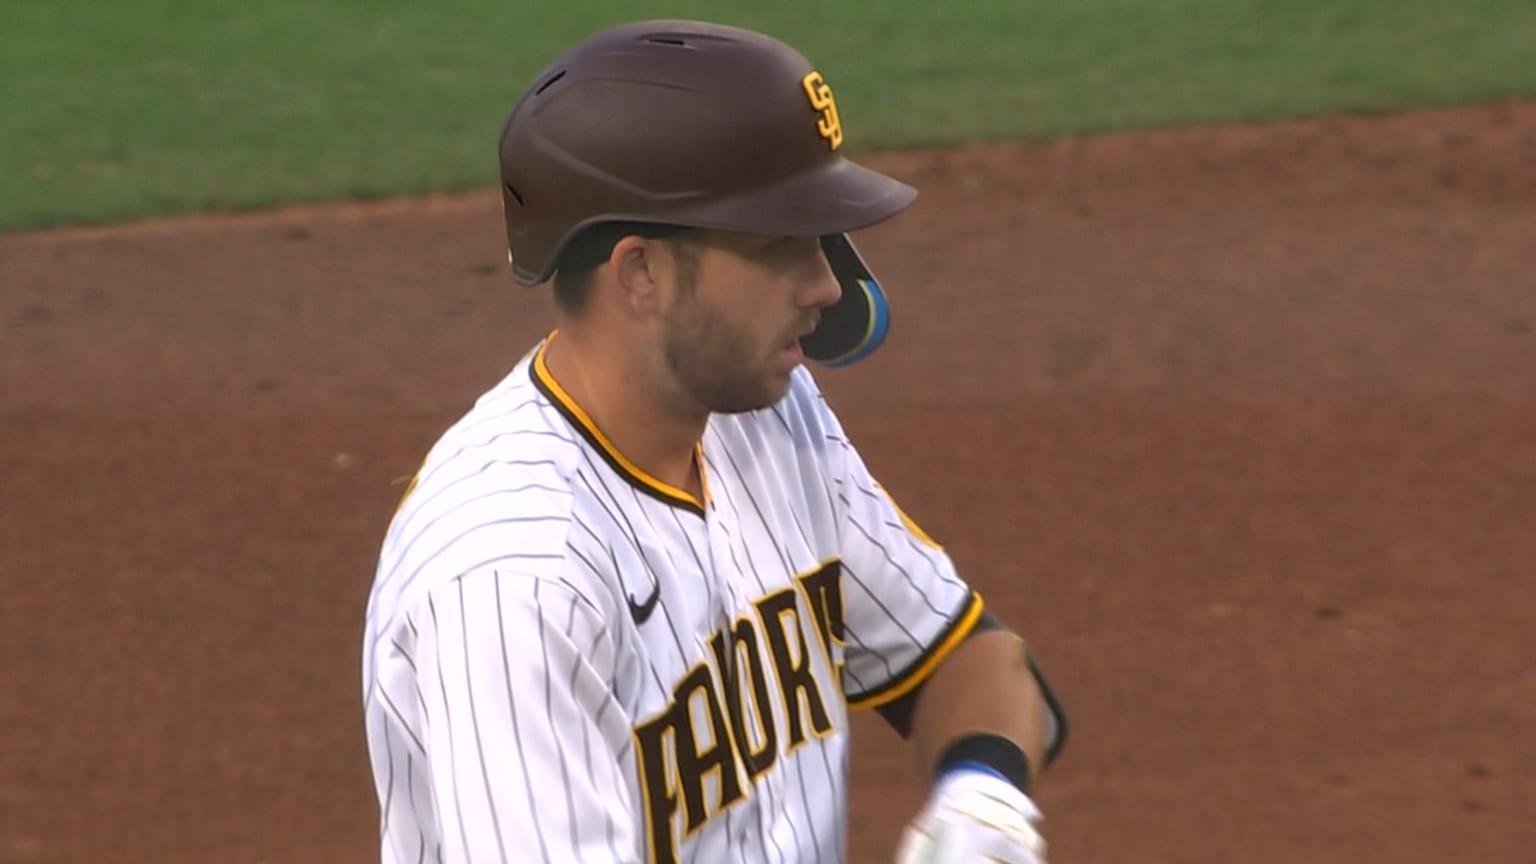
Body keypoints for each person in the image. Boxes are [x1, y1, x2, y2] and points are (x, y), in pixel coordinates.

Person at [361, 19, 1067, 864]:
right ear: (641, 274)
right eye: (779, 247)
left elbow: (969, 657)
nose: (826, 284)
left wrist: (980, 794)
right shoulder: (513, 577)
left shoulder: (771, 414)